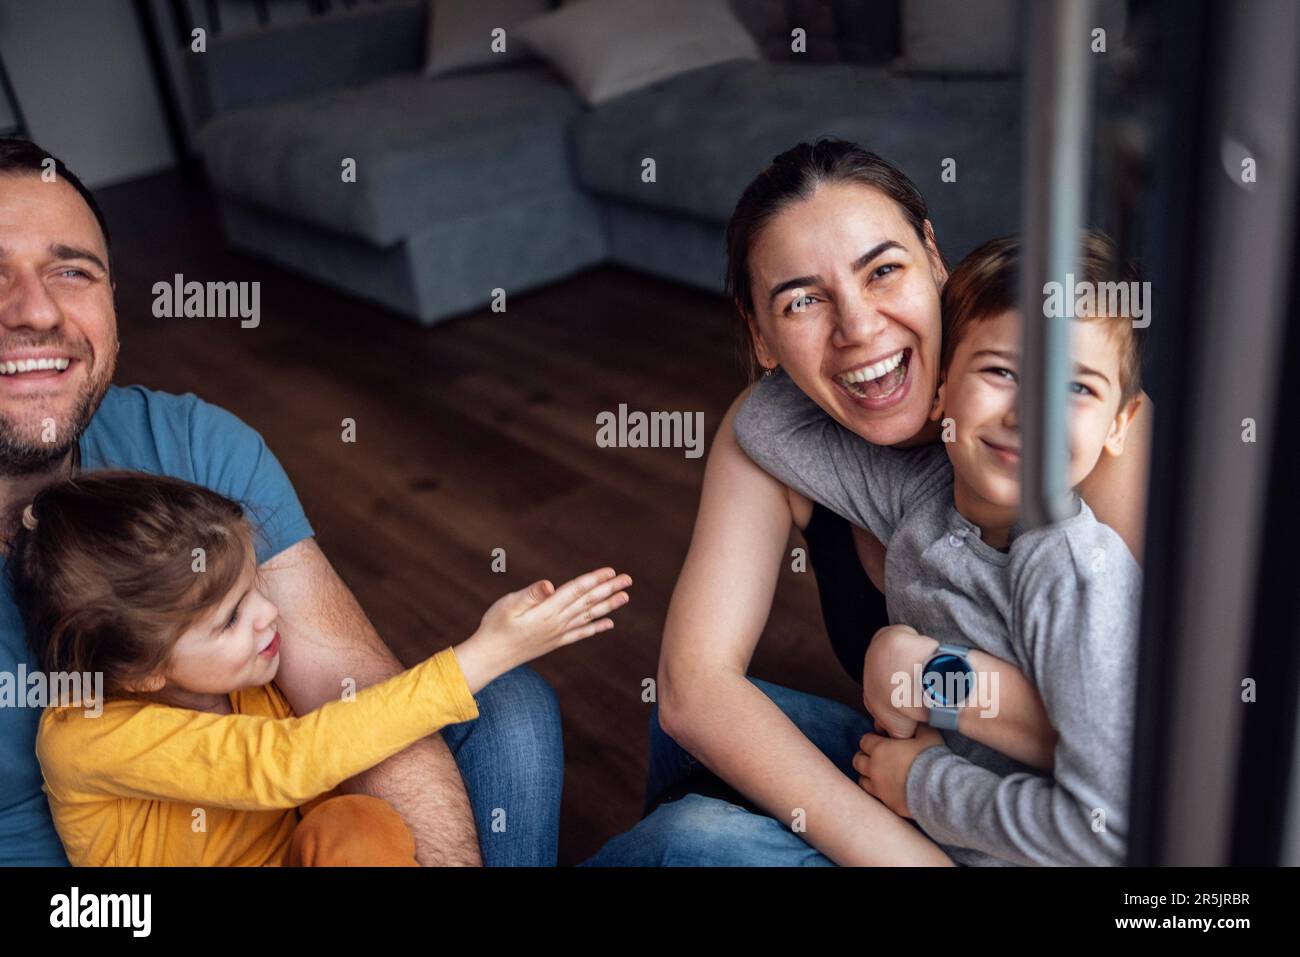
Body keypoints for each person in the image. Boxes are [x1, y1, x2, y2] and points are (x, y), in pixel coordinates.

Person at [0, 137, 564, 866]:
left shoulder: (188, 441)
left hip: (286, 832)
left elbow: (341, 686)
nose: (36, 310)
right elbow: (287, 758)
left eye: (70, 270)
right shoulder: (87, 735)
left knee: (513, 708)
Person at [586, 138, 1151, 866]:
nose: (858, 329)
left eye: (883, 270)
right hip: (948, 782)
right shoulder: (814, 443)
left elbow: (1159, 753)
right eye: (802, 300)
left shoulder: (1077, 435)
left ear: (934, 259)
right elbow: (694, 689)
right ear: (759, 333)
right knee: (693, 738)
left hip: (1063, 830)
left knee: (690, 842)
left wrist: (941, 686)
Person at [10, 470, 630, 866]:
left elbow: (339, 765)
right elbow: (285, 763)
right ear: (144, 671)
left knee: (360, 818)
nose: (267, 615)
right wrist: (486, 651)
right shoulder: (83, 737)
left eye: (256, 587)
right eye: (229, 620)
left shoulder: (242, 679)